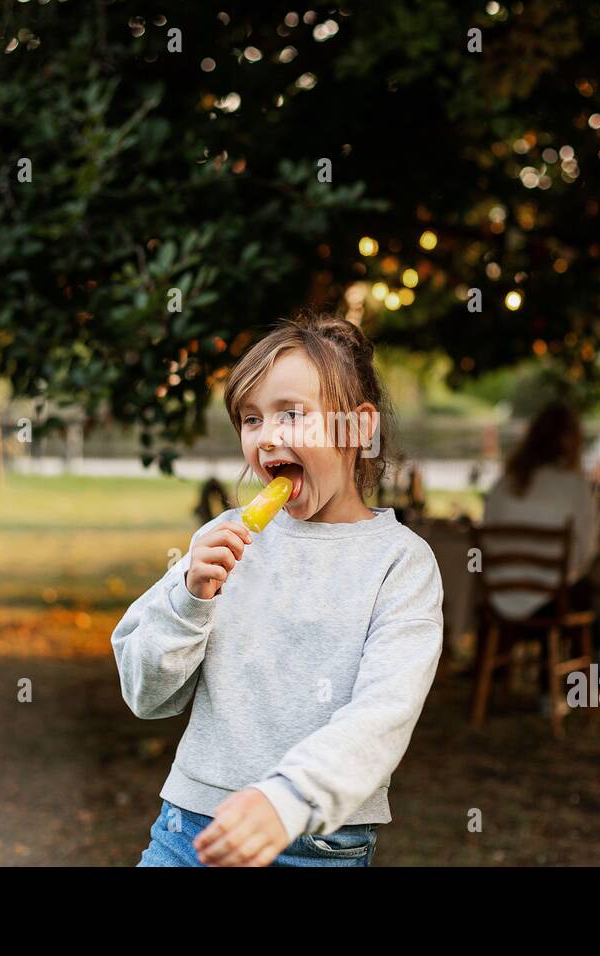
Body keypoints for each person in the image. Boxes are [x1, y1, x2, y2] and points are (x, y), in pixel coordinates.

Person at [112, 311, 444, 867]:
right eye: (251, 419)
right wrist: (189, 601)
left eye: (291, 414)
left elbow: (382, 717)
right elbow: (145, 694)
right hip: (189, 828)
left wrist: (286, 799)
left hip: (316, 845)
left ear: (359, 429)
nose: (268, 438)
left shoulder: (401, 564)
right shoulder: (223, 540)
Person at [480, 401, 600, 622]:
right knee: (595, 595)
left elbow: (486, 535)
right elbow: (585, 552)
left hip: (497, 594)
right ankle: (591, 656)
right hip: (552, 598)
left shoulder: (505, 482)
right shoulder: (574, 485)